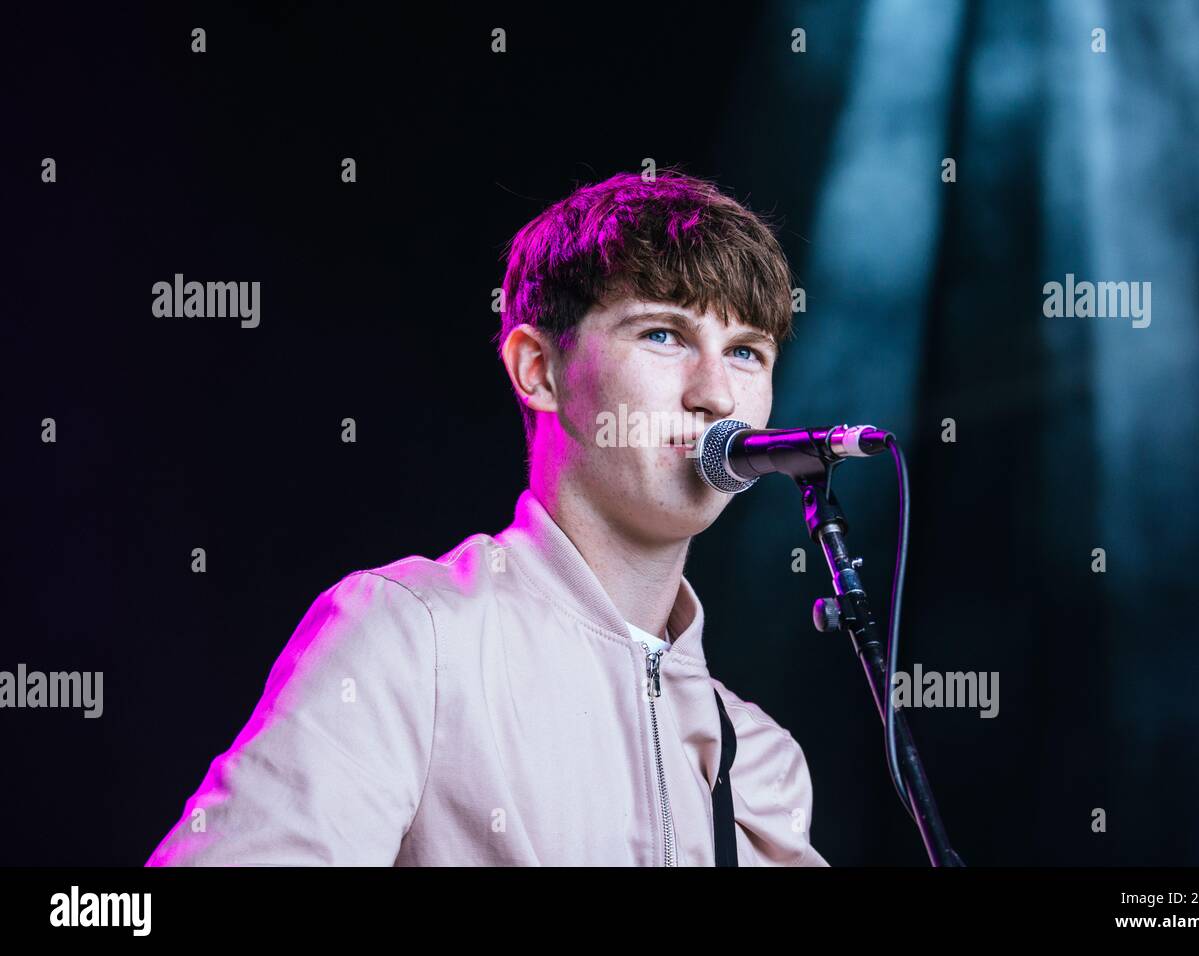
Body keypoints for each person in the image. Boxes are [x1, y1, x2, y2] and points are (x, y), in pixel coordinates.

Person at [146, 169, 829, 866]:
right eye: (662, 335)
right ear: (538, 369)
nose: (716, 393)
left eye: (746, 352)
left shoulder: (762, 762)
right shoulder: (412, 638)